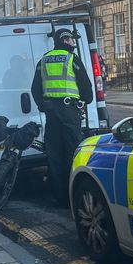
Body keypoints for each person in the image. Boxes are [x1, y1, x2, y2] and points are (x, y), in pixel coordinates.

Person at [31, 28, 94, 207]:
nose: (74, 42)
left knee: (54, 154)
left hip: (51, 112)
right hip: (69, 112)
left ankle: (60, 197)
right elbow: (87, 89)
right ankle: (74, 195)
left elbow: (35, 88)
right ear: (66, 40)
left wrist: (43, 105)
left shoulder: (44, 60)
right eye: (72, 40)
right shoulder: (72, 59)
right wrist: (84, 101)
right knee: (73, 152)